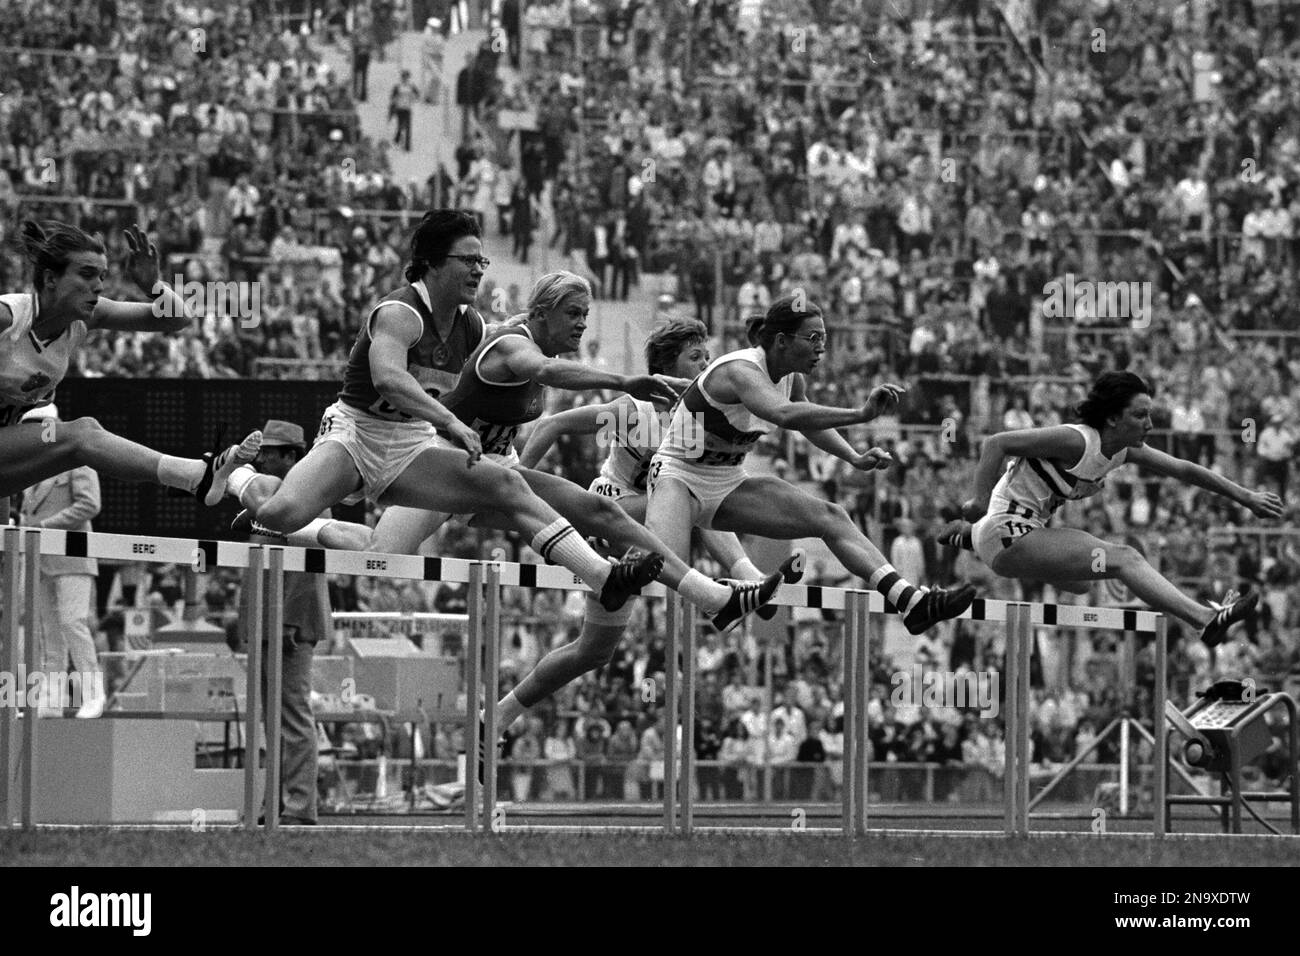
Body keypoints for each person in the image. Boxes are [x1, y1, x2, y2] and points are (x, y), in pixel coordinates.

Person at [234, 212, 665, 644]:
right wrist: (451, 422)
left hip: (413, 444)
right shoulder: (400, 312)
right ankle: (238, 476)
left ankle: (610, 577)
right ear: (434, 262)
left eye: (483, 262)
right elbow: (389, 379)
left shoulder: (473, 324)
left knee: (510, 486)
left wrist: (526, 328)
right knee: (279, 517)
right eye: (469, 259)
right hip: (358, 433)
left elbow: (508, 343)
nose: (479, 269)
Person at [644, 293, 978, 636]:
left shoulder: (792, 377)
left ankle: (910, 602)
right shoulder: (739, 370)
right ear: (781, 341)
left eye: (825, 339)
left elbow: (805, 421)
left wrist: (852, 456)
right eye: (814, 339)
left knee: (832, 517)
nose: (821, 348)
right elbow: (784, 414)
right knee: (663, 564)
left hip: (726, 483)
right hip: (677, 476)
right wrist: (860, 415)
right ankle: (714, 597)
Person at [943, 370, 1283, 647]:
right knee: (1124, 558)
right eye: (1139, 415)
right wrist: (980, 501)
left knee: (1083, 584)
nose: (1149, 424)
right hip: (1008, 530)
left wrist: (1246, 497)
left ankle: (970, 537)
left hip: (1025, 533)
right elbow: (996, 443)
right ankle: (1203, 619)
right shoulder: (1076, 441)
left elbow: (1184, 469)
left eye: (1149, 414)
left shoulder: (1125, 450)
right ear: (1112, 418)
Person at [0, 220, 261, 519]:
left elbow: (177, 318)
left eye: (101, 275)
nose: (98, 286)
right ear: (50, 279)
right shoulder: (8, 318)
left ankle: (199, 478)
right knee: (82, 432)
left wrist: (153, 285)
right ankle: (196, 476)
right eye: (86, 274)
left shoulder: (86, 318)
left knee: (6, 547)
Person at [240, 420, 329, 826]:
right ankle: (273, 803)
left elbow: (309, 567)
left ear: (293, 455)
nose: (263, 458)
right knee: (270, 717)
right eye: (263, 452)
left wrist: (289, 622)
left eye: (272, 452)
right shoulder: (264, 496)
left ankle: (299, 806)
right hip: (264, 619)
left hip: (290, 622)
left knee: (292, 714)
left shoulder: (311, 494)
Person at [18, 404, 104, 718]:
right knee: (49, 633)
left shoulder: (77, 461)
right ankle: (51, 700)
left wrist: (43, 527)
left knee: (73, 623)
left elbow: (89, 504)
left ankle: (93, 694)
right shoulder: (31, 470)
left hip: (71, 557)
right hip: (40, 559)